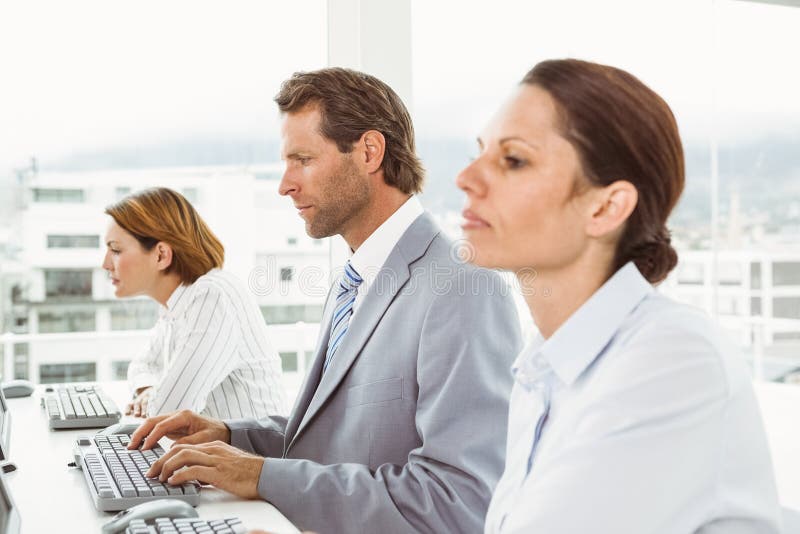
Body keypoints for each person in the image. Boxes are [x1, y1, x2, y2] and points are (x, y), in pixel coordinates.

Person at [128, 67, 523, 534]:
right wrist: (235, 436)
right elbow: (337, 441)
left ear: (369, 152)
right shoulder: (353, 279)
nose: (285, 184)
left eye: (303, 160)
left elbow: (457, 500)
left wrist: (261, 475)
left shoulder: (461, 289)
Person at [455, 58, 782, 533]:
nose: (465, 178)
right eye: (479, 151)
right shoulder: (542, 369)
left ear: (606, 207)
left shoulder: (673, 359)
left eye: (513, 160)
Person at [103, 187, 287, 419]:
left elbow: (169, 413)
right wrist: (147, 390)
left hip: (250, 454)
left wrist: (157, 397)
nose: (105, 264)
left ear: (161, 255)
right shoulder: (176, 305)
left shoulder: (212, 297)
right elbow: (142, 366)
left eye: (116, 250)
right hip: (208, 453)